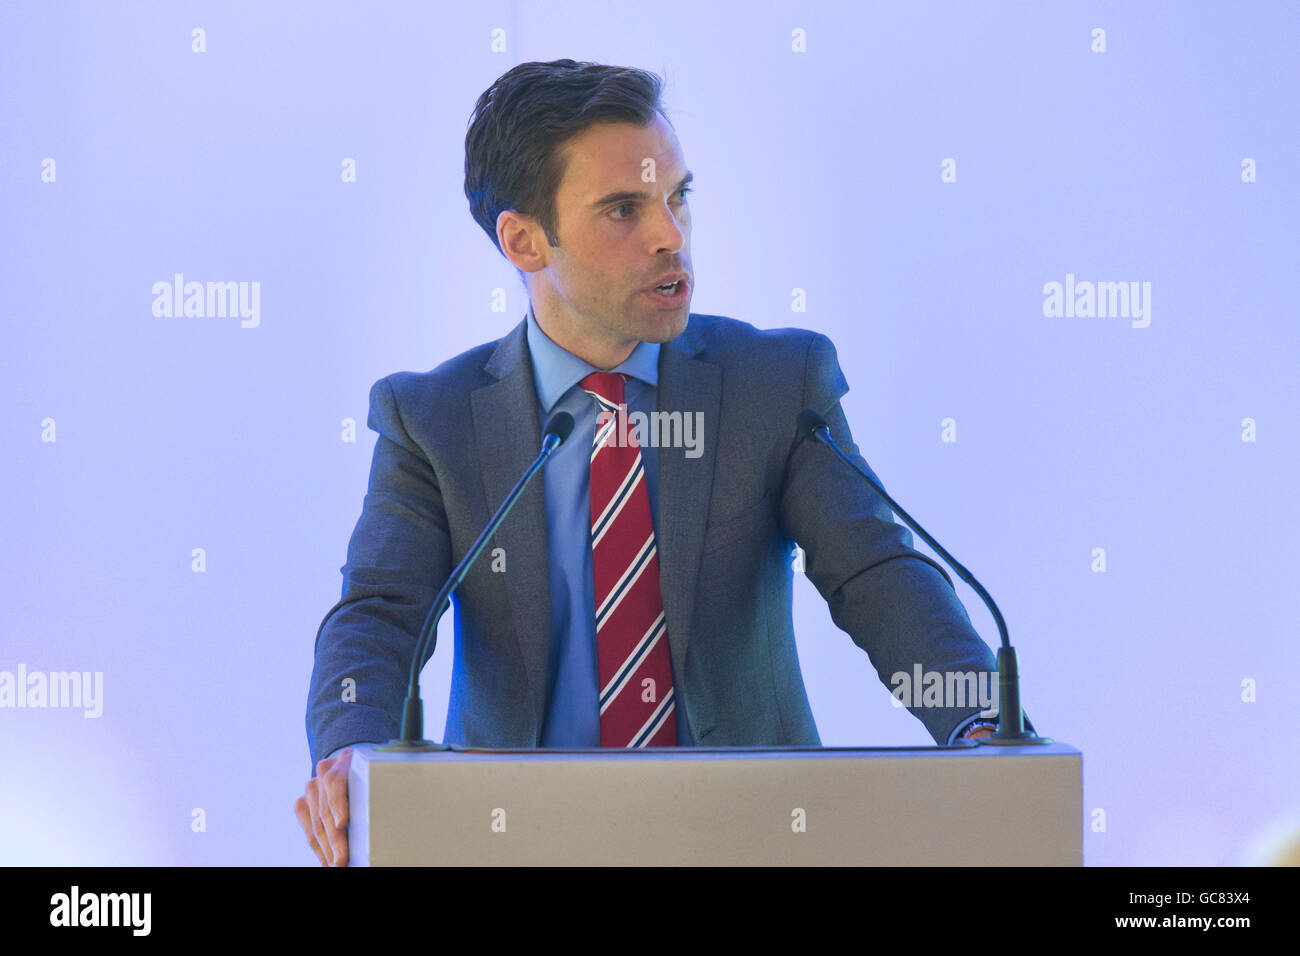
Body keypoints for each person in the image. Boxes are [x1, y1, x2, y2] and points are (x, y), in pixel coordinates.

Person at [294, 59, 1023, 866]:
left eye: (678, 197)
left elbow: (875, 573)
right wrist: (349, 752)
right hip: (512, 843)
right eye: (622, 210)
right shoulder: (431, 419)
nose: (669, 235)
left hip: (749, 839)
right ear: (525, 239)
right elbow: (380, 614)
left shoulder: (774, 386)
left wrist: (974, 715)